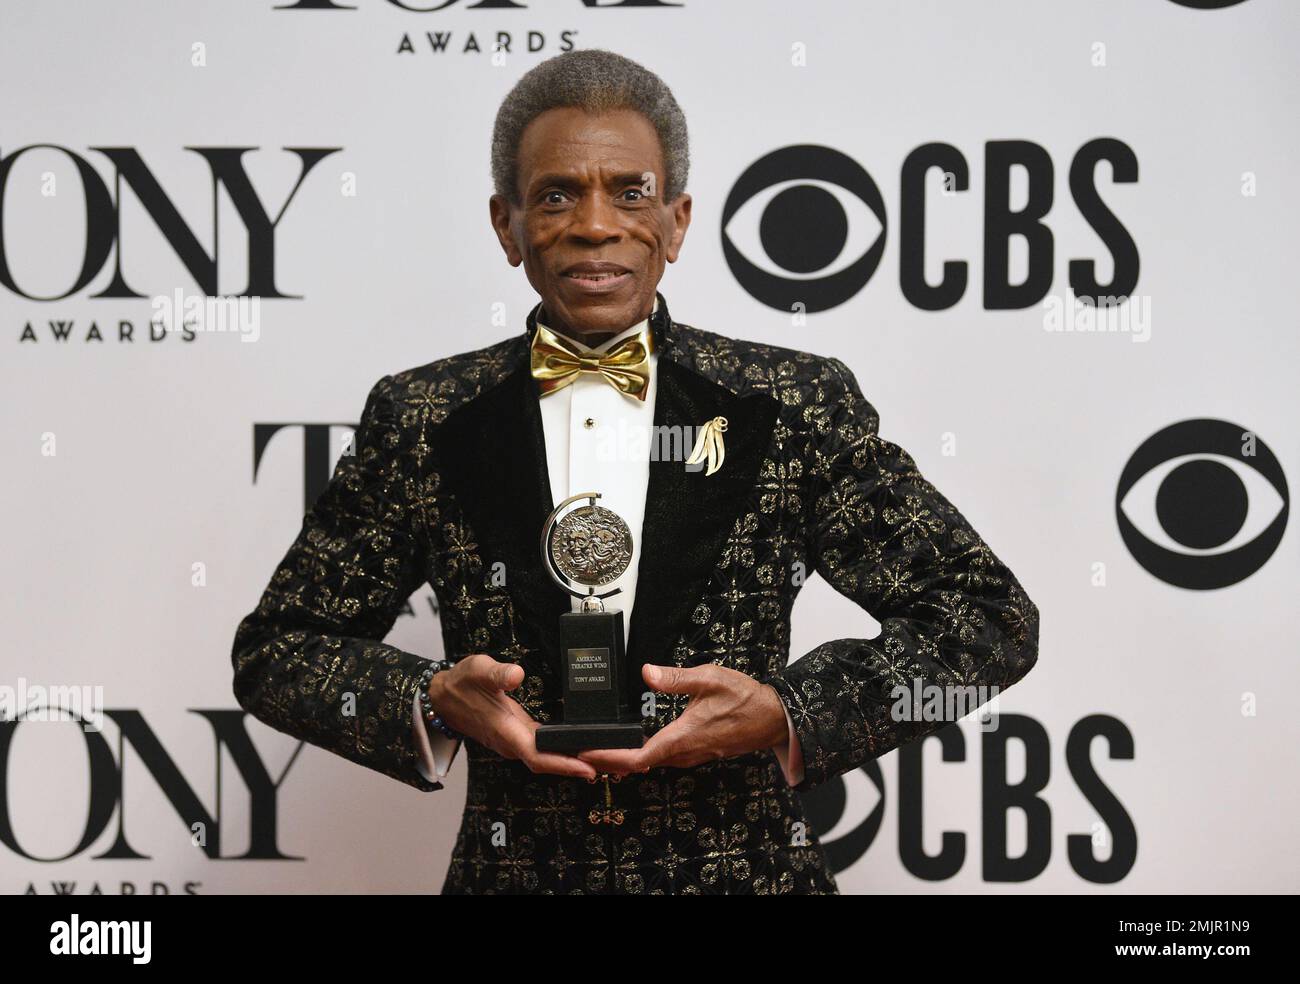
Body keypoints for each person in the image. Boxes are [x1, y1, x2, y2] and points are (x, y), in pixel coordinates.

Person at [231, 48, 1039, 895]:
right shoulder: (423, 416)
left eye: (630, 191)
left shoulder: (794, 402)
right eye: (556, 194)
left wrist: (788, 713)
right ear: (506, 225)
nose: (594, 224)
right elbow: (278, 652)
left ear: (679, 220)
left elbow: (989, 620)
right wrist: (432, 697)